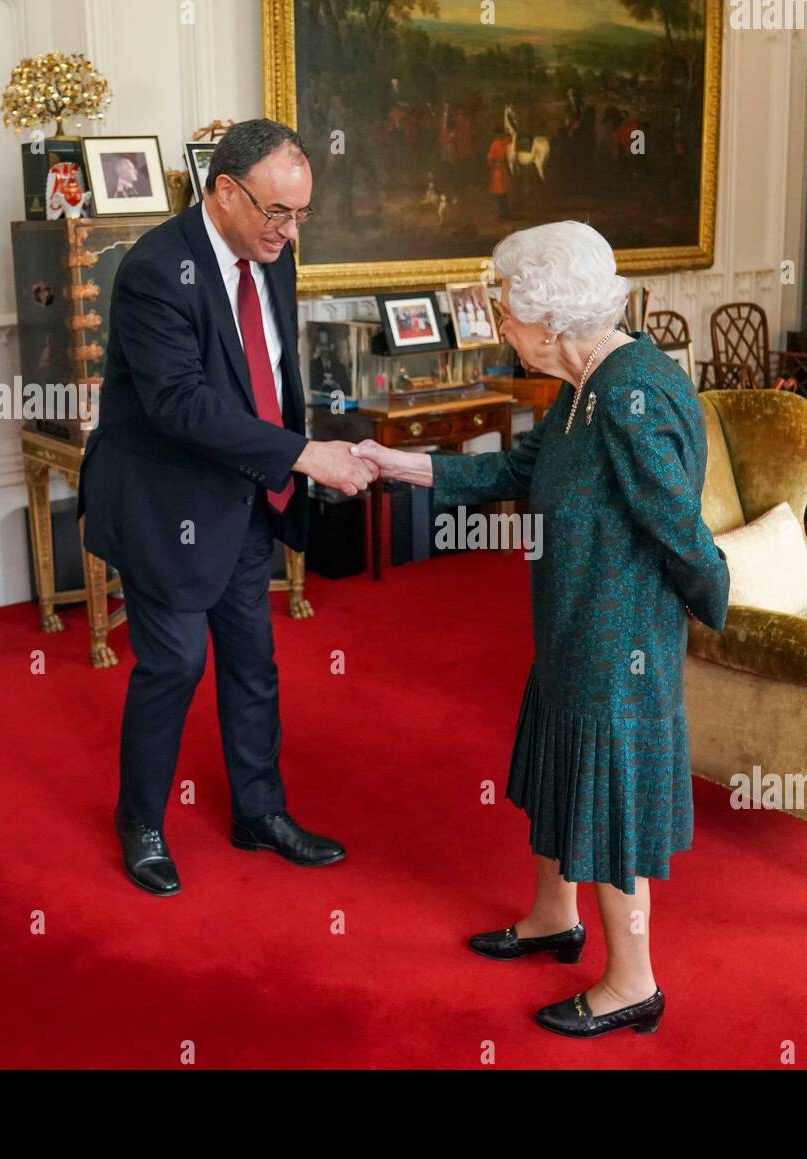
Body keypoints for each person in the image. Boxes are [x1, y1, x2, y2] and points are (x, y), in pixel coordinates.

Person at [352, 221, 729, 1038]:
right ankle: (553, 916)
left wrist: (717, 603)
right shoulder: (582, 385)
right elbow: (511, 472)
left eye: (504, 304)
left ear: (550, 320)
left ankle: (634, 982)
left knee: (613, 803)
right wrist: (394, 461)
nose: (496, 318)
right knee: (563, 768)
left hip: (618, 641)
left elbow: (679, 528)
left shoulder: (632, 395)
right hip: (573, 625)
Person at [79, 119, 376, 896]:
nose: (290, 229)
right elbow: (180, 402)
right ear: (224, 191)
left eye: (302, 213)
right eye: (277, 212)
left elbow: (272, 371)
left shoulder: (274, 254)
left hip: (247, 494)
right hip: (165, 501)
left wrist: (288, 460)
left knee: (253, 661)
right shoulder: (153, 270)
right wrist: (302, 455)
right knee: (175, 663)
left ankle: (259, 812)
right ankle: (141, 820)